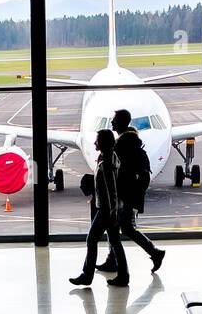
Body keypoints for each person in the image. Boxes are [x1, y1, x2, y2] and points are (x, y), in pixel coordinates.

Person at [98, 109, 164, 276]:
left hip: (125, 194)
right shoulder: (130, 140)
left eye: (114, 121)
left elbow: (118, 171)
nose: (112, 123)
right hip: (130, 193)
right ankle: (114, 260)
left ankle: (154, 252)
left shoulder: (122, 144)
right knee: (122, 227)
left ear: (121, 122)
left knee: (123, 227)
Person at [70, 130, 129, 288]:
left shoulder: (106, 164)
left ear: (103, 143)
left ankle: (87, 275)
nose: (95, 143)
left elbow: (112, 191)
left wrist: (112, 213)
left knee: (92, 239)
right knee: (115, 242)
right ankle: (123, 275)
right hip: (110, 209)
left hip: (106, 210)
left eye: (97, 141)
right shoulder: (112, 158)